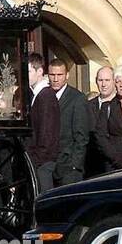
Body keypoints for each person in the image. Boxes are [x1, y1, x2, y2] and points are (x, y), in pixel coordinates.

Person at [48, 58, 88, 186]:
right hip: (48, 166)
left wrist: (74, 165)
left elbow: (81, 136)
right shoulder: (44, 97)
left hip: (69, 167)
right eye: (52, 75)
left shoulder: (77, 99)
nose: (55, 79)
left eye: (59, 75)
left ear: (67, 75)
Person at [25, 54, 61, 192]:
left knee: (43, 196)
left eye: (28, 71)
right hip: (40, 160)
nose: (25, 75)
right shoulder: (38, 95)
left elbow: (47, 131)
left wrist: (37, 159)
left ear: (39, 71)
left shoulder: (46, 96)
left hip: (43, 161)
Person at [84, 66, 116, 178]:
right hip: (93, 165)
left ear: (114, 81)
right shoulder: (87, 106)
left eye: (107, 80)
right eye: (100, 80)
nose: (103, 84)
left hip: (115, 165)